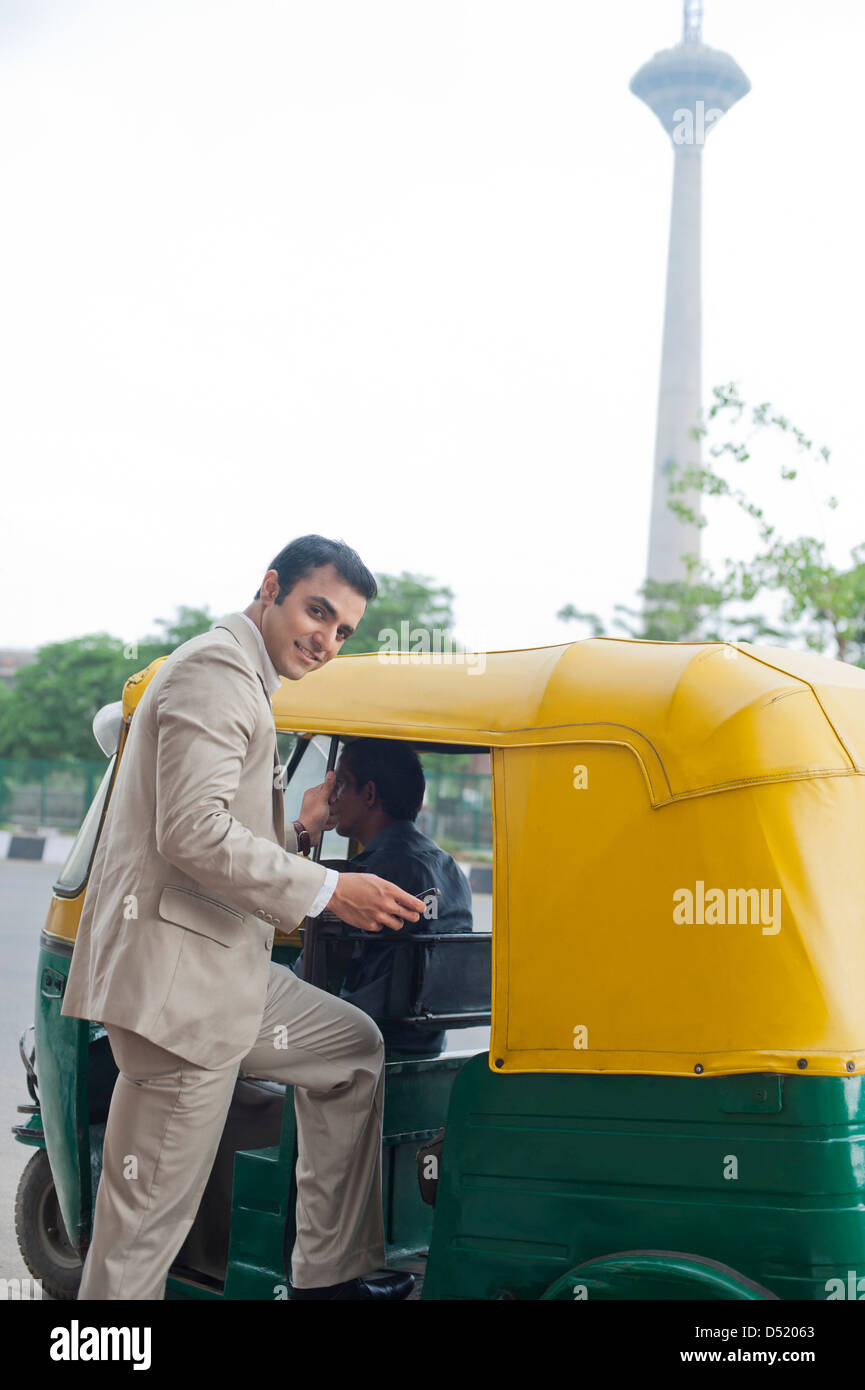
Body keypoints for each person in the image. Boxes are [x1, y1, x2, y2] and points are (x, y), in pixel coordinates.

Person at [60, 535, 426, 1301]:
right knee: (142, 1232)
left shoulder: (247, 680)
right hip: (179, 995)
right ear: (270, 590)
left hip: (226, 972)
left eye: (342, 631)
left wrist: (297, 833)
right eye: (315, 612)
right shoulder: (218, 671)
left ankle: (327, 1278)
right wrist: (331, 890)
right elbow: (191, 832)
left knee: (351, 1051)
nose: (325, 641)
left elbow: (210, 832)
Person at [300, 738, 473, 1055]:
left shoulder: (372, 877)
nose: (332, 798)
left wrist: (301, 832)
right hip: (425, 1049)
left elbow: (311, 976)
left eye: (340, 784)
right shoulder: (451, 870)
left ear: (368, 794)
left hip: (359, 1051)